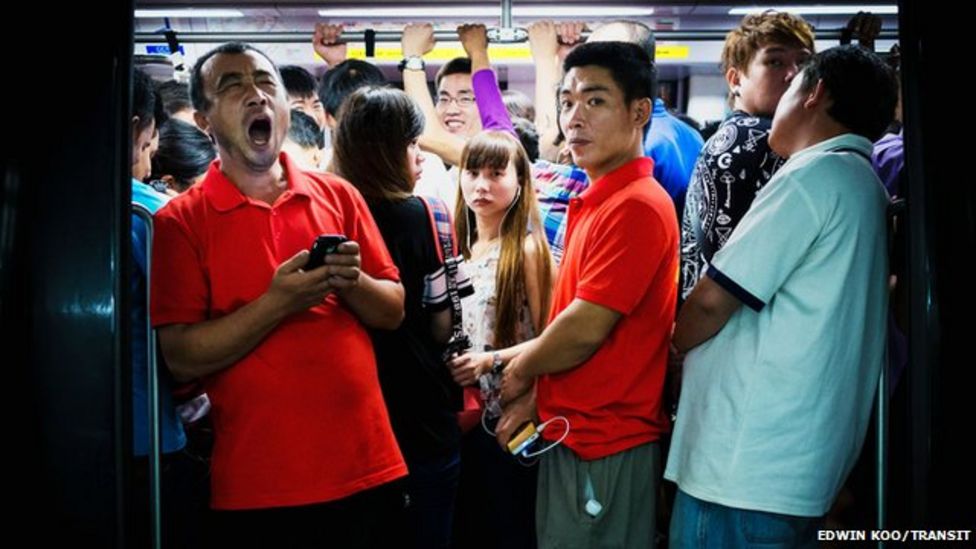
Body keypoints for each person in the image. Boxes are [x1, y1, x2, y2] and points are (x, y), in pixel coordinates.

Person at [150, 42, 406, 548]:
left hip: (367, 467)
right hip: (257, 488)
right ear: (203, 120)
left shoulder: (339, 195)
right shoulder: (180, 222)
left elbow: (393, 310)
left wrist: (350, 280)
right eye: (232, 85)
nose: (255, 96)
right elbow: (179, 358)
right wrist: (278, 303)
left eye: (266, 83)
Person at [667, 45, 898, 548]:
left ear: (813, 93)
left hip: (744, 470)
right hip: (797, 465)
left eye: (792, 86)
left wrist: (671, 347)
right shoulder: (864, 184)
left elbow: (714, 299)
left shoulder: (812, 178)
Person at [496, 42, 677, 549]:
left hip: (606, 440)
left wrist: (520, 370)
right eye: (567, 101)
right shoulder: (599, 197)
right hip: (576, 431)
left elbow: (584, 328)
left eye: (594, 101)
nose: (574, 117)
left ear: (639, 111)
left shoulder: (636, 205)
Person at [331, 85, 473, 549]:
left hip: (350, 421)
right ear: (387, 152)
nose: (421, 158)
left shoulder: (326, 214)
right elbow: (442, 323)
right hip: (418, 416)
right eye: (412, 145)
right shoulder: (424, 215)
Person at [680, 11, 815, 300]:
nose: (793, 74)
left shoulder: (724, 137)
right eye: (775, 62)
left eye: (803, 63)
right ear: (735, 79)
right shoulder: (758, 138)